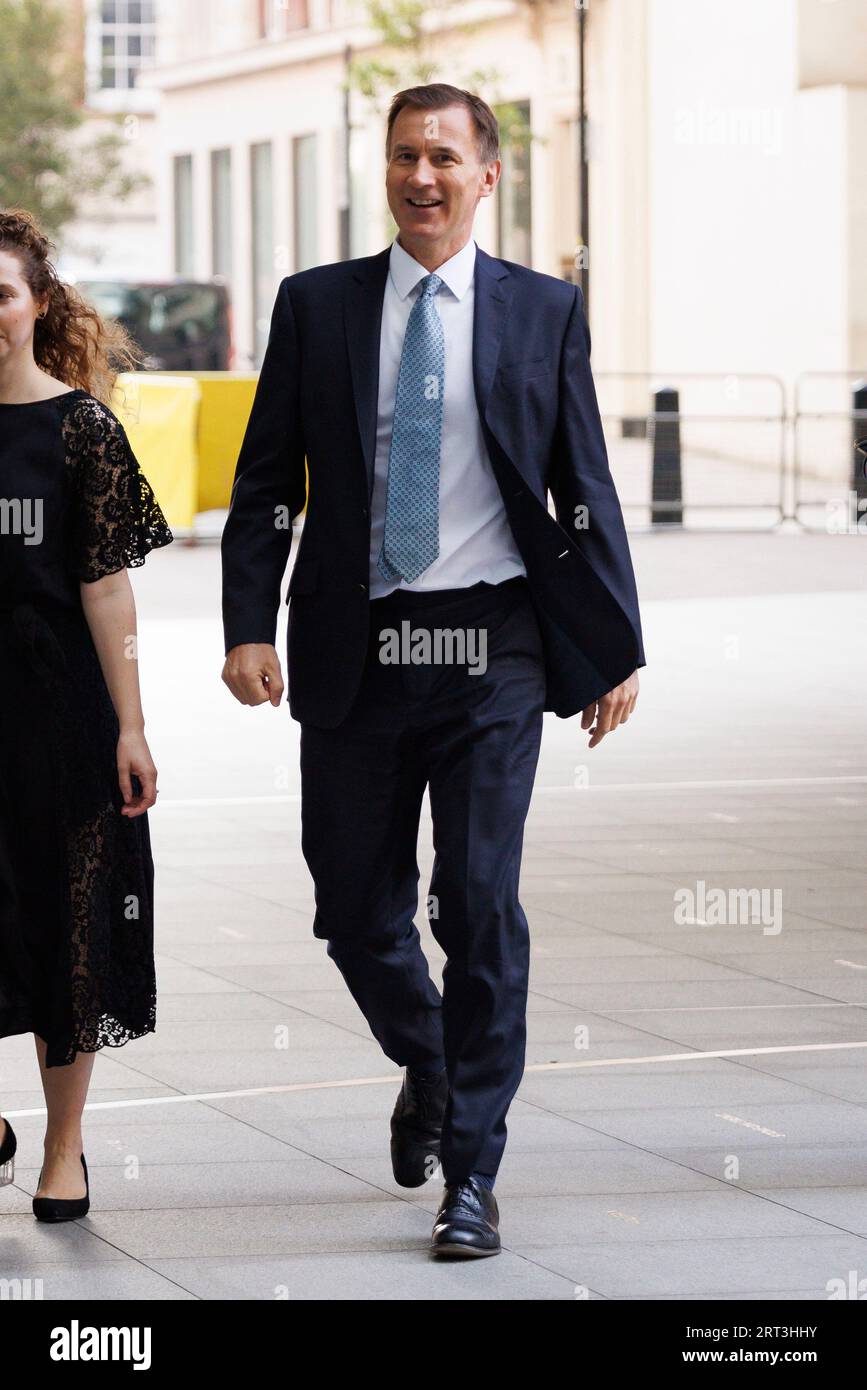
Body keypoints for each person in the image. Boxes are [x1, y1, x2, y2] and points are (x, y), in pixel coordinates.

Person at [221, 84, 645, 1259]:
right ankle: (434, 1057)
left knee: (477, 901)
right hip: (360, 644)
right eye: (404, 155)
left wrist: (616, 643)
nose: (422, 175)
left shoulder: (544, 310)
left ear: (487, 175)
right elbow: (264, 486)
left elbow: (585, 481)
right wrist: (247, 625)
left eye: (444, 157)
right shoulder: (319, 307)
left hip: (492, 648)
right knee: (354, 908)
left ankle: (473, 1174)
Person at [0, 209, 173, 1221]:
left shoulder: (82, 429)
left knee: (65, 913)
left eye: (2, 293)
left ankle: (65, 1146)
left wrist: (132, 725)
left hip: (57, 706)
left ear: (35, 304)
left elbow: (107, 587)